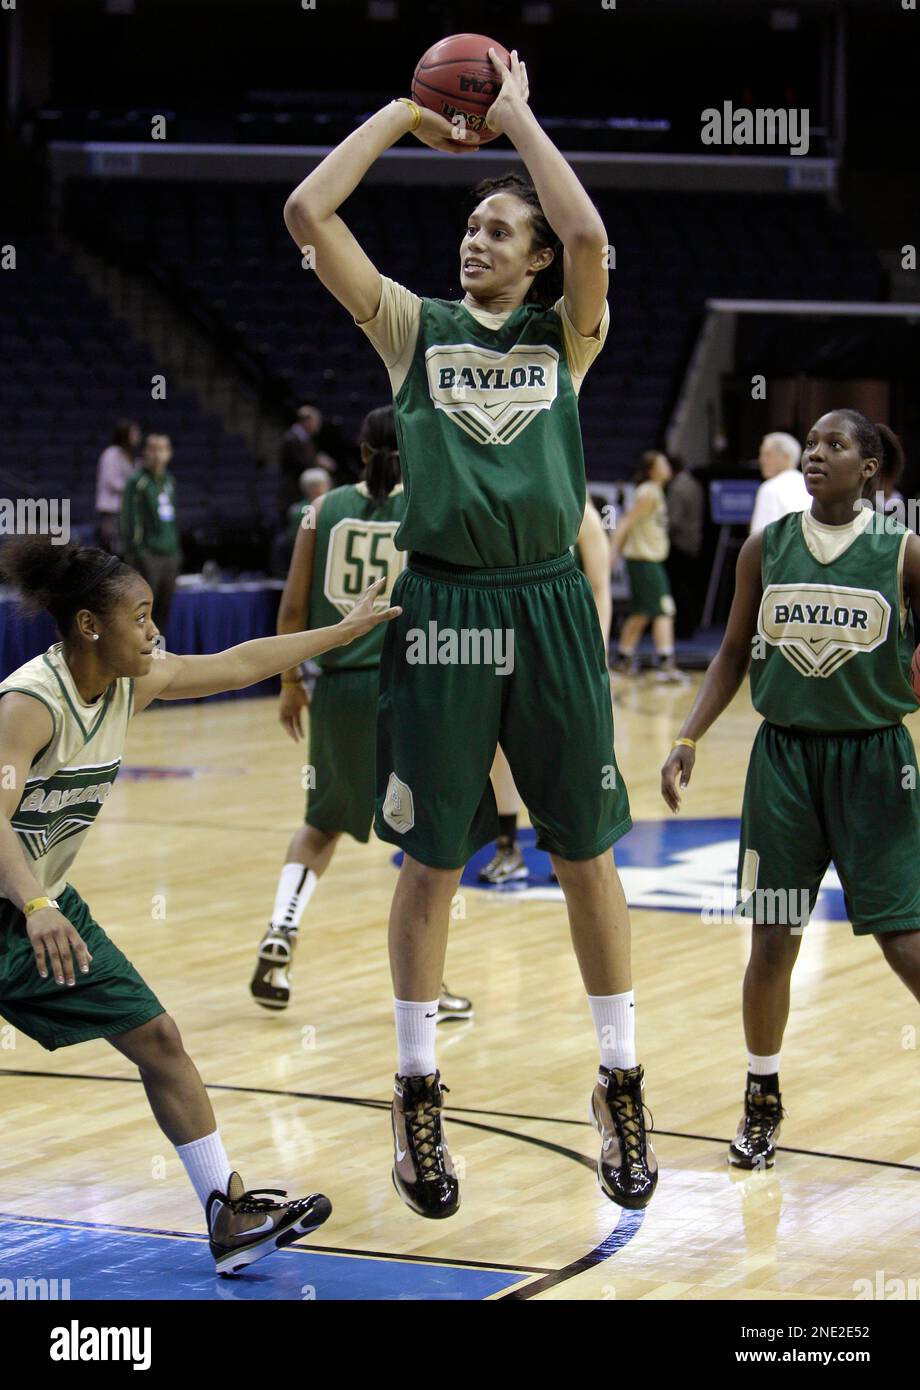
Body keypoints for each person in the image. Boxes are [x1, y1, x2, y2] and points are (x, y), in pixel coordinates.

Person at [282, 49, 657, 1219]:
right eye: (472, 226)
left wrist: (519, 121)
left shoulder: (565, 335)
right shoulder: (410, 328)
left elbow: (589, 240)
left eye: (502, 229)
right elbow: (307, 210)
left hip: (545, 602)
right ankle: (415, 1091)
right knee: (431, 857)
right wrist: (408, 109)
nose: (477, 241)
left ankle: (619, 1078)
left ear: (535, 256)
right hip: (443, 605)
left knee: (584, 851)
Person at [0, 537, 397, 1272]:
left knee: (159, 1040)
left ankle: (227, 1212)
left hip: (39, 908)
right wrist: (34, 904)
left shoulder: (132, 683)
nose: (155, 631)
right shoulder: (31, 702)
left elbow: (240, 662)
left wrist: (339, 635)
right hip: (26, 905)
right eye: (141, 616)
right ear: (90, 625)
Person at [660, 410, 920, 1170]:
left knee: (904, 942)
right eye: (810, 445)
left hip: (875, 764)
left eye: (834, 445)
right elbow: (733, 652)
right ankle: (762, 1096)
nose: (816, 455)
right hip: (782, 765)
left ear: (869, 467)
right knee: (773, 941)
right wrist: (687, 737)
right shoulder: (764, 548)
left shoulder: (902, 553)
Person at [252, 405, 472, 1024]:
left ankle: (281, 931)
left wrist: (291, 682)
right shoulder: (432, 502)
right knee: (429, 844)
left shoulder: (320, 509)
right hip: (411, 690)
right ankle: (427, 988)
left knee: (320, 825)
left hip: (340, 689)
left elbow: (292, 609)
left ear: (360, 450)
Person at [480, 498, 614, 885]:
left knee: (567, 751)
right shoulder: (500, 503)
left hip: (562, 645)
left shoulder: (578, 508)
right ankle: (508, 847)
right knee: (499, 749)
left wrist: (597, 650)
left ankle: (570, 847)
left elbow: (600, 586)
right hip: (501, 640)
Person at [610, 451, 684, 682]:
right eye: (662, 463)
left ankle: (623, 657)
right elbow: (625, 522)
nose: (667, 466)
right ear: (651, 469)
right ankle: (665, 661)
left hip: (647, 561)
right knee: (664, 609)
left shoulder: (654, 491)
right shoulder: (649, 492)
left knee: (642, 613)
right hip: (644, 561)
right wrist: (612, 553)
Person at [120, 434, 181, 636]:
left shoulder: (169, 480)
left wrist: (176, 550)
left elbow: (171, 519)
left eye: (162, 449)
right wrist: (138, 552)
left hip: (170, 554)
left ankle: (157, 658)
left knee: (164, 613)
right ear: (146, 452)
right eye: (153, 449)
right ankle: (137, 660)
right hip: (147, 556)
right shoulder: (137, 482)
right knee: (143, 612)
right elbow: (129, 519)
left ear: (169, 453)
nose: (157, 454)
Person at [665, 452, 705, 639]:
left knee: (679, 589)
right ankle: (688, 625)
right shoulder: (694, 483)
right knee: (689, 587)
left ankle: (681, 628)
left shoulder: (677, 488)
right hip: (694, 541)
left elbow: (674, 520)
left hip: (680, 543)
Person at [749, 431, 809, 535]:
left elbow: (760, 536)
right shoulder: (810, 484)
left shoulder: (769, 488)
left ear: (786, 457)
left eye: (767, 454)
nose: (761, 460)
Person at [95, 420, 140, 552]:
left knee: (124, 547)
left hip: (124, 509)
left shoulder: (130, 455)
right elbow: (112, 481)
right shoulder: (112, 454)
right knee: (114, 548)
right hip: (111, 510)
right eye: (134, 433)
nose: (137, 436)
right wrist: (134, 487)